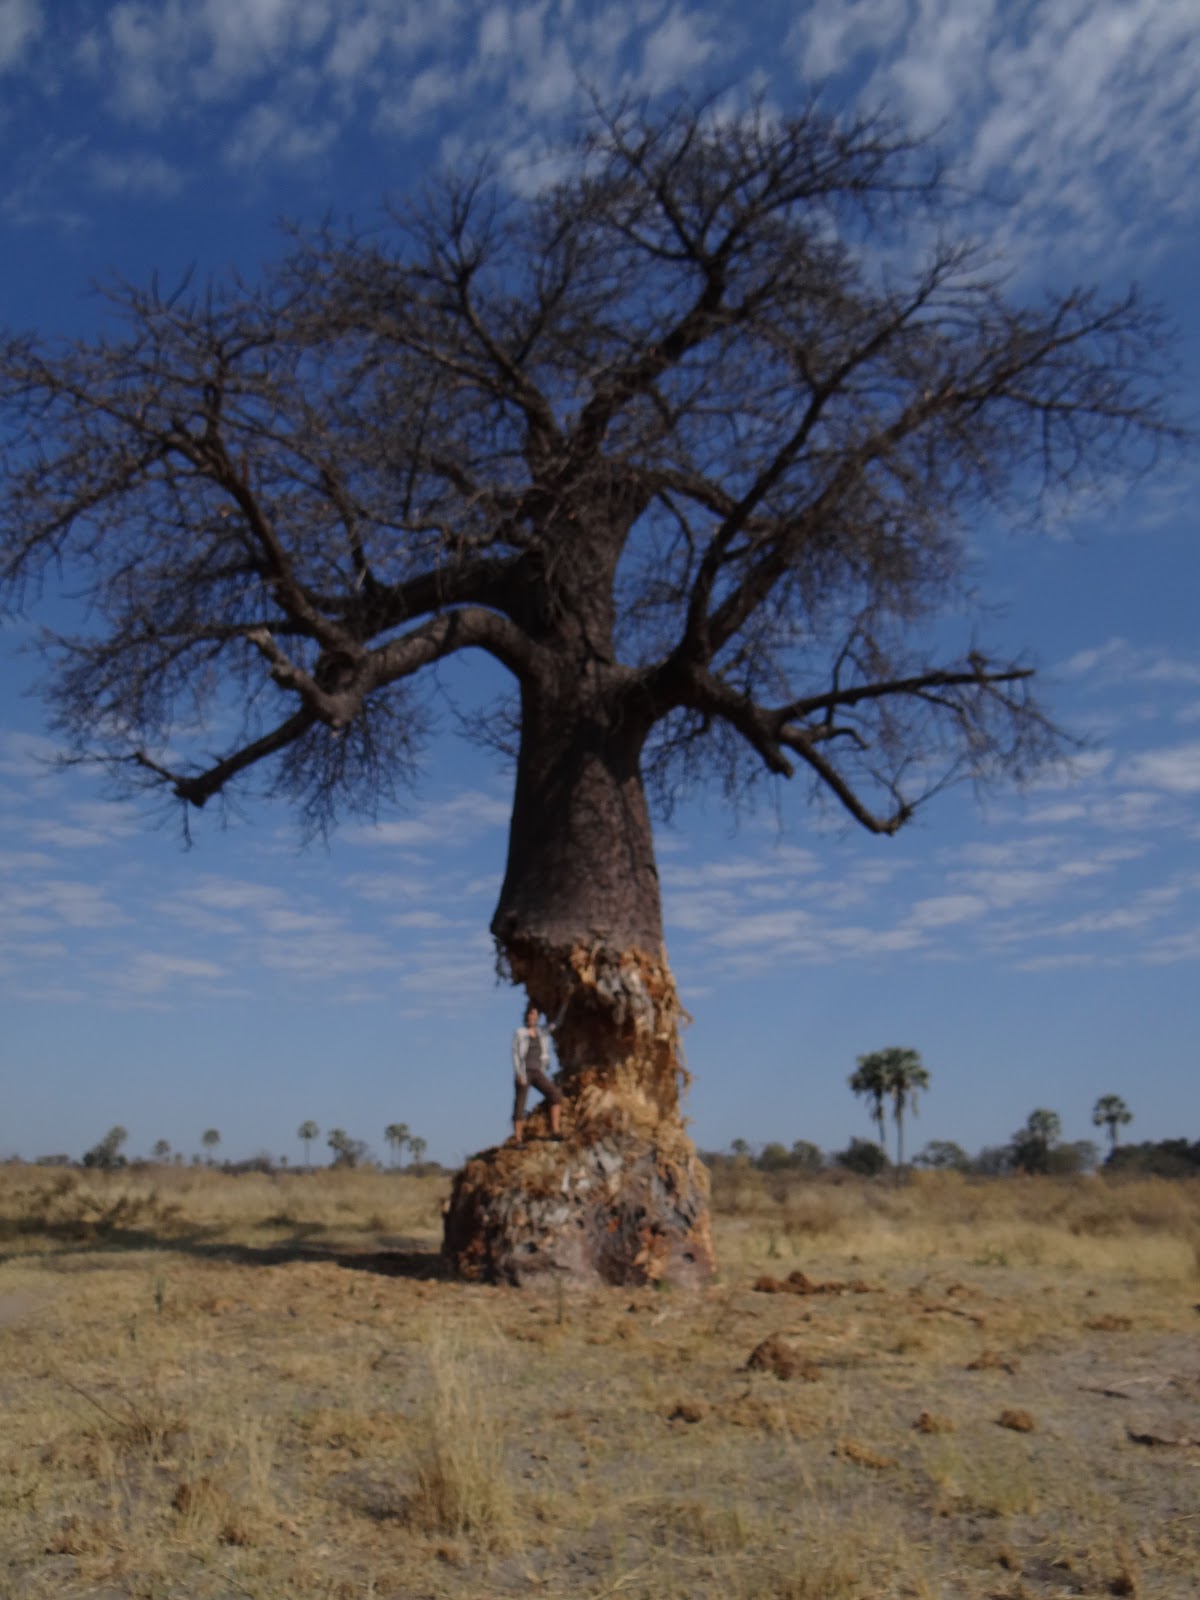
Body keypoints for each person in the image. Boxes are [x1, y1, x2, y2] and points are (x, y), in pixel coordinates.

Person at [511, 1002, 563, 1143]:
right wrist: (519, 1073)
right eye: (529, 1014)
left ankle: (555, 1129)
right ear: (526, 1016)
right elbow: (515, 1054)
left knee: (555, 1094)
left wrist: (565, 1003)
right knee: (520, 1104)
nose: (531, 1017)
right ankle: (518, 1138)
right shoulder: (520, 1033)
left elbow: (556, 1023)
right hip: (524, 1071)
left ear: (538, 1017)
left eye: (534, 1014)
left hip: (537, 1071)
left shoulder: (542, 1031)